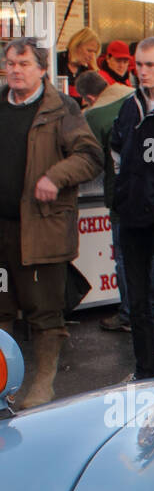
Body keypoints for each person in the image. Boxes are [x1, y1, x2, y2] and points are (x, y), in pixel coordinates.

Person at [0, 37, 102, 408]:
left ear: (42, 69)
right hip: (3, 230)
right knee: (1, 308)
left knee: (45, 311)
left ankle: (43, 384)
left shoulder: (61, 109)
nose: (15, 70)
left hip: (42, 230)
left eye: (23, 63)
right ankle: (3, 384)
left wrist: (55, 177)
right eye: (10, 63)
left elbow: (91, 156)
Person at [111, 37, 154, 379]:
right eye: (139, 64)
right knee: (137, 303)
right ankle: (144, 371)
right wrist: (123, 190)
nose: (143, 71)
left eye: (151, 64)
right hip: (132, 216)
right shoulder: (129, 105)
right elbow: (116, 148)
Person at [82, 71, 136, 333]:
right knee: (151, 256)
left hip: (120, 193)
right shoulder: (136, 97)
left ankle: (128, 313)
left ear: (89, 97)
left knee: (125, 256)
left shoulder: (94, 115)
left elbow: (87, 158)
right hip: (147, 190)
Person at [60, 28, 101, 99]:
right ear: (76, 46)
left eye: (94, 52)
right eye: (89, 51)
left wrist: (94, 70)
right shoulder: (57, 63)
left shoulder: (85, 70)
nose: (92, 56)